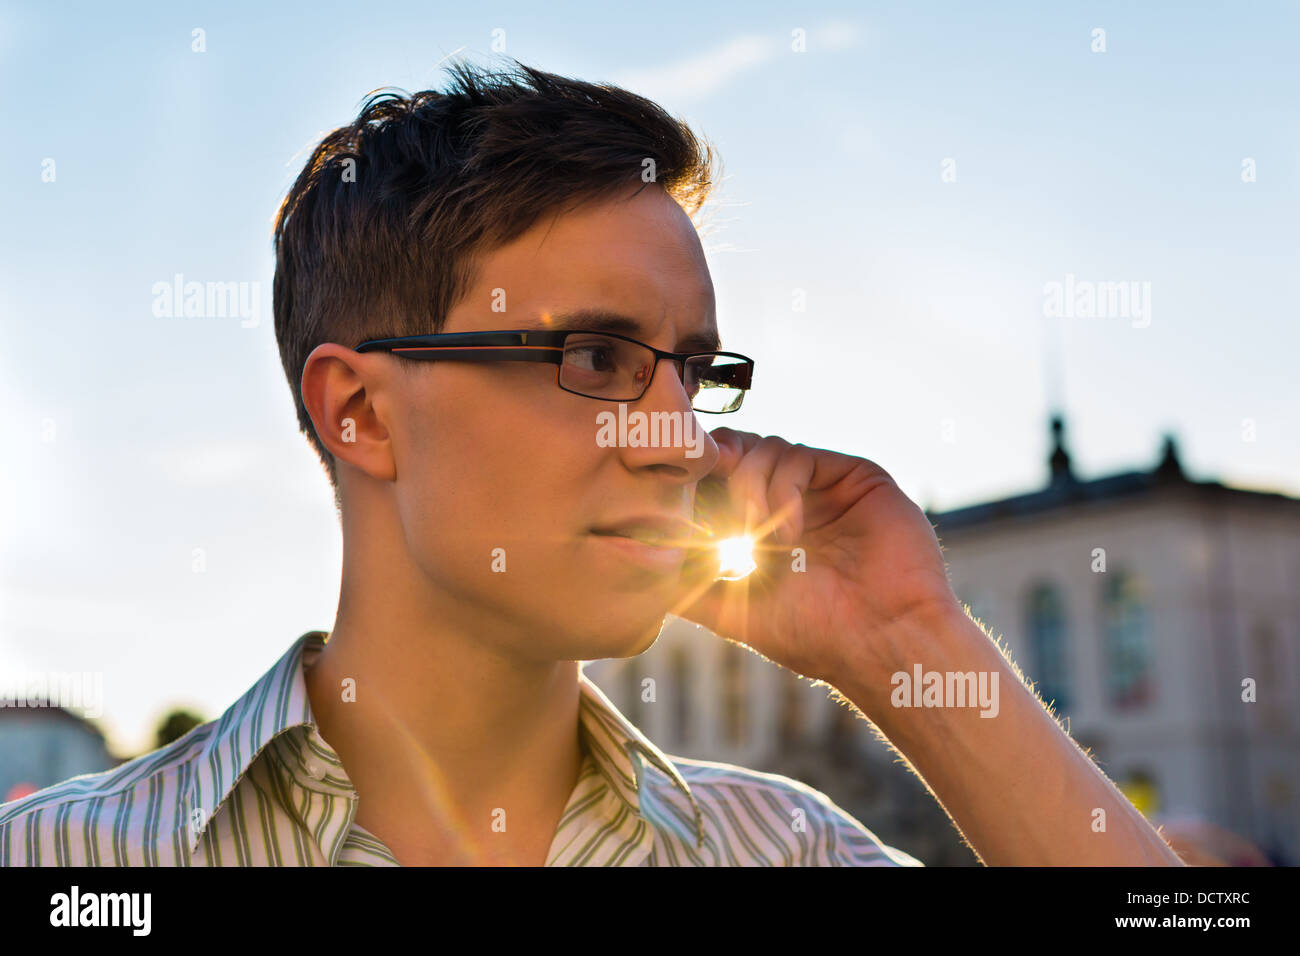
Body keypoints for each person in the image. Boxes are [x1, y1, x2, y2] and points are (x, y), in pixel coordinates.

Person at [0, 58, 1183, 867]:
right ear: (360, 413)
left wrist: (910, 646)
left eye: (692, 369)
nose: (679, 439)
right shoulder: (72, 862)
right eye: (596, 353)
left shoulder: (781, 849)